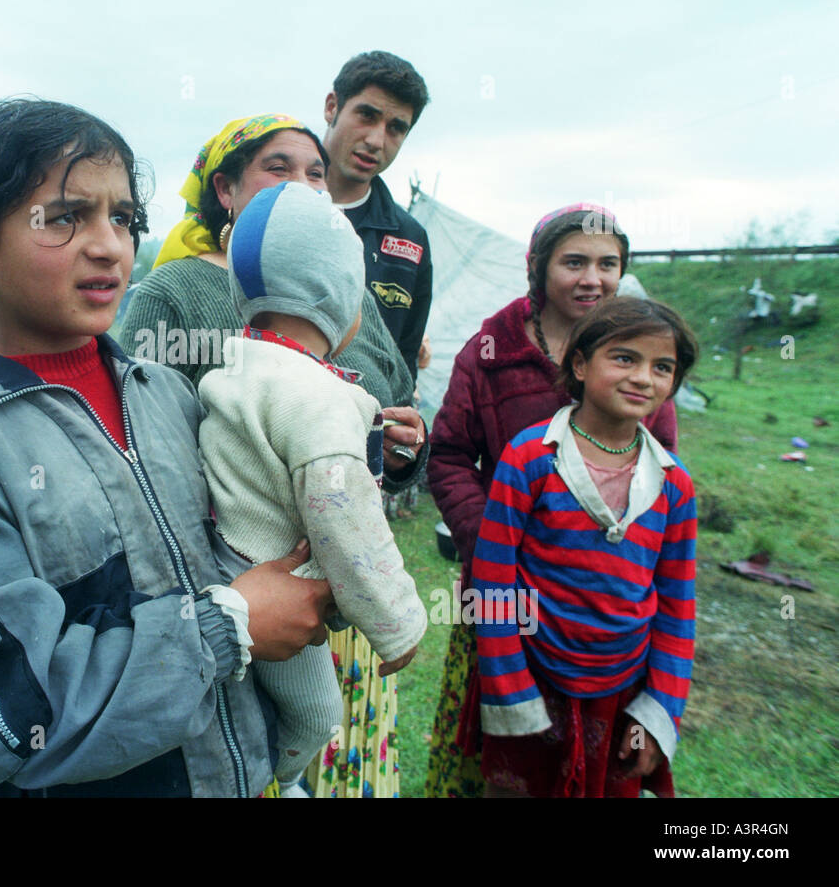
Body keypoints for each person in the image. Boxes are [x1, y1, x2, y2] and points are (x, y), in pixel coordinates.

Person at [0, 98, 334, 797]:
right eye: (65, 216)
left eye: (122, 218)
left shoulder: (169, 395)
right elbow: (13, 716)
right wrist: (226, 627)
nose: (109, 245)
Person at [120, 113, 428, 797]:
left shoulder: (300, 315)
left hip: (331, 583)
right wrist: (399, 620)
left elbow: (391, 392)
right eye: (278, 169)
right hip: (270, 585)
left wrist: (401, 449)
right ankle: (271, 780)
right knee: (294, 718)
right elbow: (142, 428)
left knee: (321, 725)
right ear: (225, 190)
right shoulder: (174, 292)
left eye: (316, 174)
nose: (303, 187)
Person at [423, 203, 679, 798]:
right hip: (504, 589)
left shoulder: (635, 348)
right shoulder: (493, 348)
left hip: (607, 596)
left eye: (608, 264)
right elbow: (452, 455)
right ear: (538, 267)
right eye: (574, 262)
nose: (593, 278)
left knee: (598, 754)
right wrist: (495, 545)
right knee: (506, 750)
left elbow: (660, 462)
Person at [198, 181, 429, 796]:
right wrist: (397, 623)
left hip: (222, 575)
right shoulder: (317, 397)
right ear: (344, 302)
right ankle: (272, 781)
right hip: (282, 591)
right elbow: (344, 518)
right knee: (316, 715)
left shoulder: (236, 369)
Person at [472, 296, 699, 797]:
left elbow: (679, 607)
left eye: (663, 366)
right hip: (531, 673)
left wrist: (658, 709)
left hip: (623, 692)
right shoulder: (529, 458)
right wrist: (510, 690)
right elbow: (490, 583)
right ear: (580, 363)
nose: (643, 377)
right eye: (624, 358)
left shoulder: (673, 484)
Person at [321, 51, 432, 381]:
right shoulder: (270, 205)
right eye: (366, 116)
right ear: (332, 107)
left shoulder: (410, 239)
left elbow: (405, 362)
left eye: (396, 128)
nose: (376, 140)